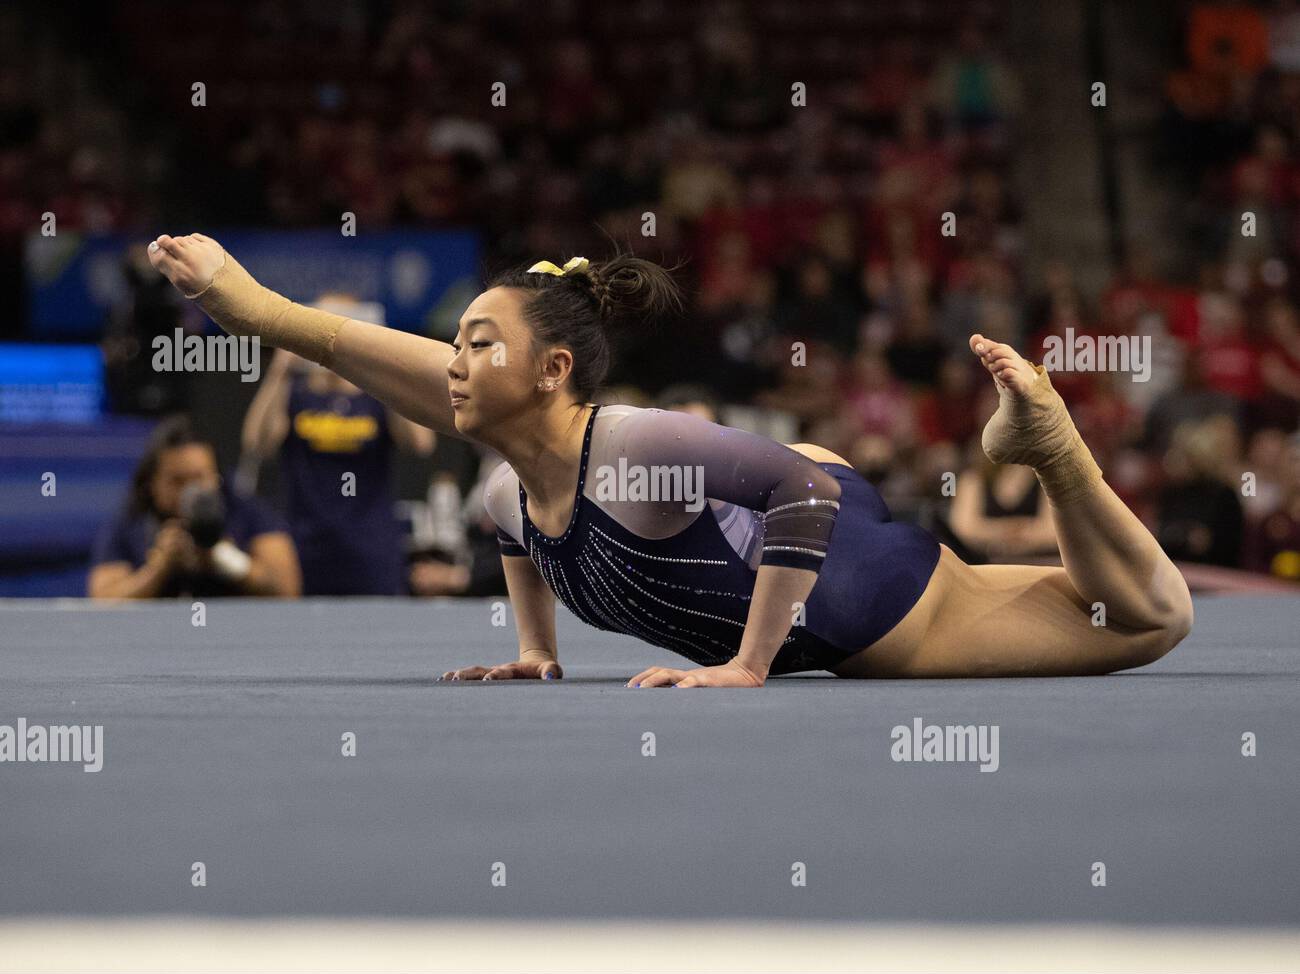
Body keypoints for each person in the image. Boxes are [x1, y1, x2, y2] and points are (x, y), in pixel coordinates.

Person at [146, 233, 1192, 683]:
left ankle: (1050, 448)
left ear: (554, 367)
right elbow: (515, 528)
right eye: (453, 341)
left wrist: (746, 663)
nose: (454, 364)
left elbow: (801, 487)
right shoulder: (513, 485)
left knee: (1150, 619)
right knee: (1106, 595)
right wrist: (535, 647)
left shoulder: (631, 447)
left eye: (479, 343)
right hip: (771, 531)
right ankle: (1046, 463)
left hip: (872, 607)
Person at [240, 295, 435, 595]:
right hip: (304, 543)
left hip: (371, 545)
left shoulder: (376, 394)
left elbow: (421, 443)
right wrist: (281, 368)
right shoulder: (295, 394)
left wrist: (382, 367)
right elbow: (258, 444)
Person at [88, 415, 301, 599]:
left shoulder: (249, 513)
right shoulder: (130, 522)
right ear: (153, 484)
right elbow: (104, 601)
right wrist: (158, 569)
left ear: (217, 478)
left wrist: (222, 559)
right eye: (177, 481)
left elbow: (287, 590)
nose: (191, 491)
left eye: (199, 478)